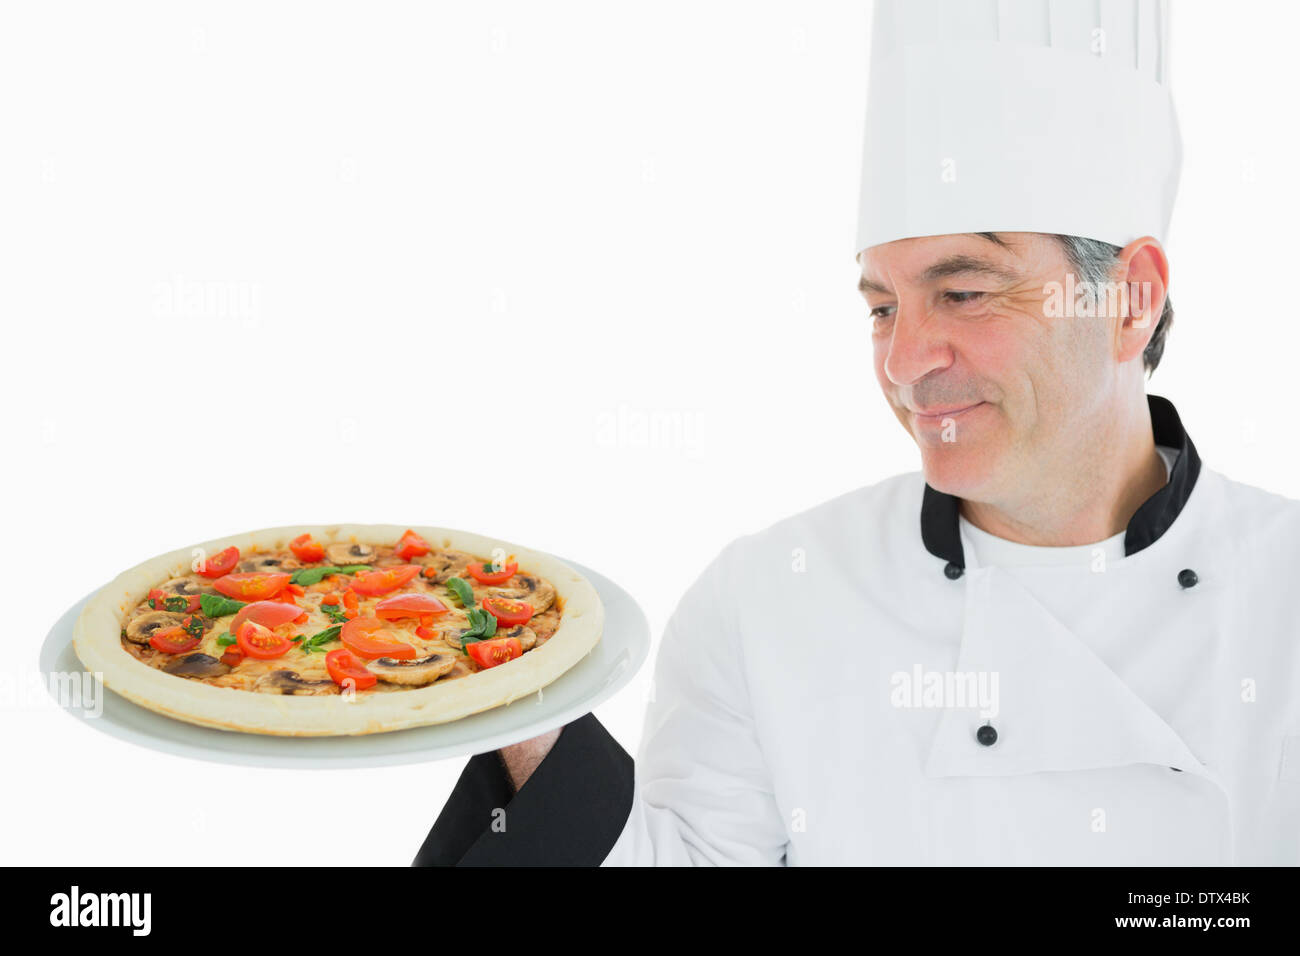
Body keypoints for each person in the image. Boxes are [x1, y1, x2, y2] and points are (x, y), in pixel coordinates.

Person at [415, 0, 1300, 866]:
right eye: (882, 306)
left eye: (964, 292)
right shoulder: (763, 605)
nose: (907, 360)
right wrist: (518, 685)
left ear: (1132, 300)